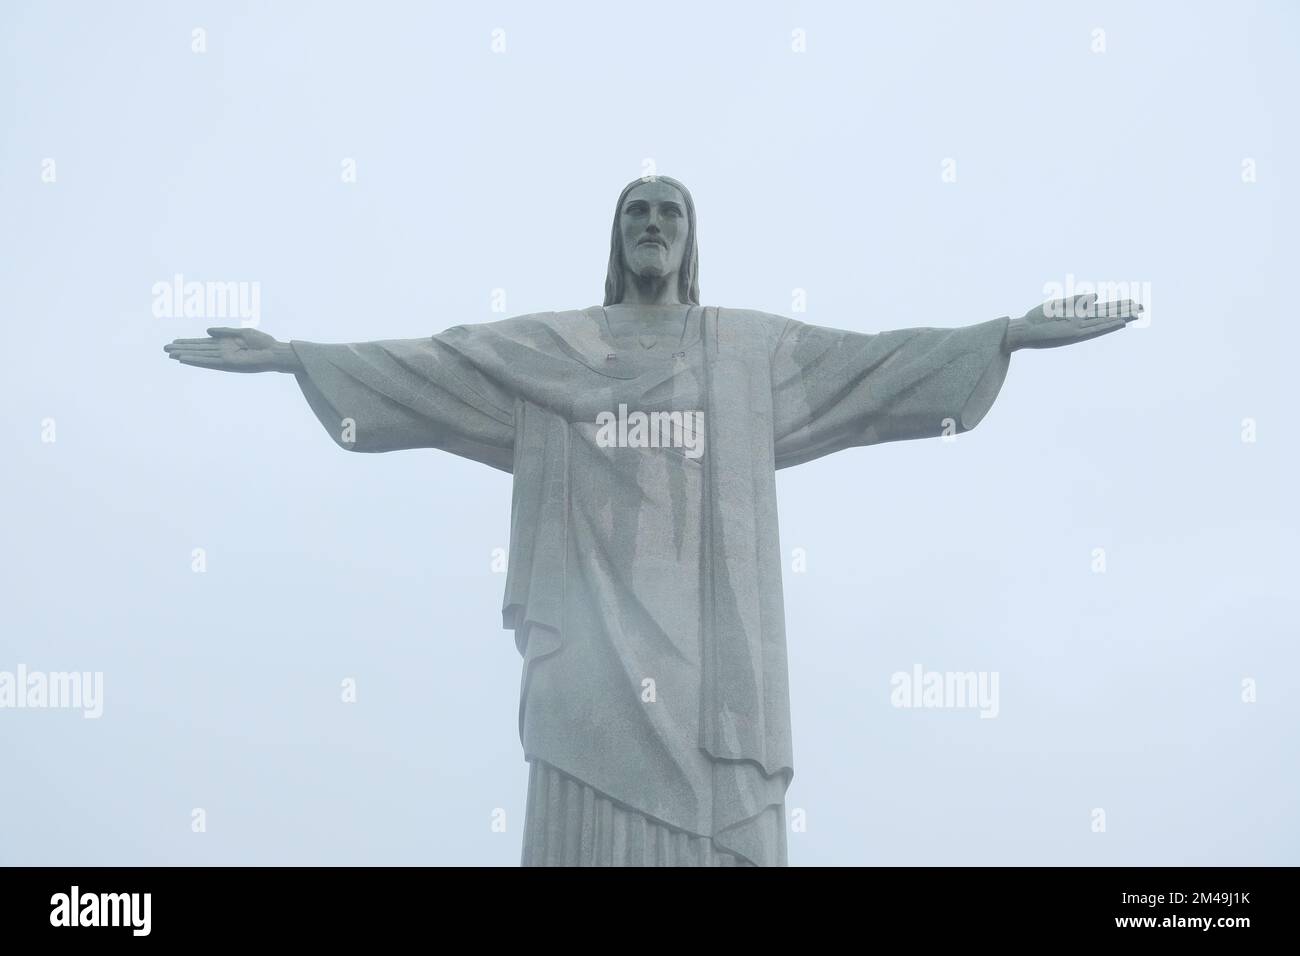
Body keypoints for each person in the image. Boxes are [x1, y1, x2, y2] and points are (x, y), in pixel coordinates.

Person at [165, 176, 1141, 866]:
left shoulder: (747, 350)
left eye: (669, 211)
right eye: (635, 210)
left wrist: (1005, 333)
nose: (652, 223)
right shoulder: (554, 346)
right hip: (589, 653)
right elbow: (434, 366)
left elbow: (874, 364)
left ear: (689, 241)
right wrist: (296, 354)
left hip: (715, 664)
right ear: (615, 238)